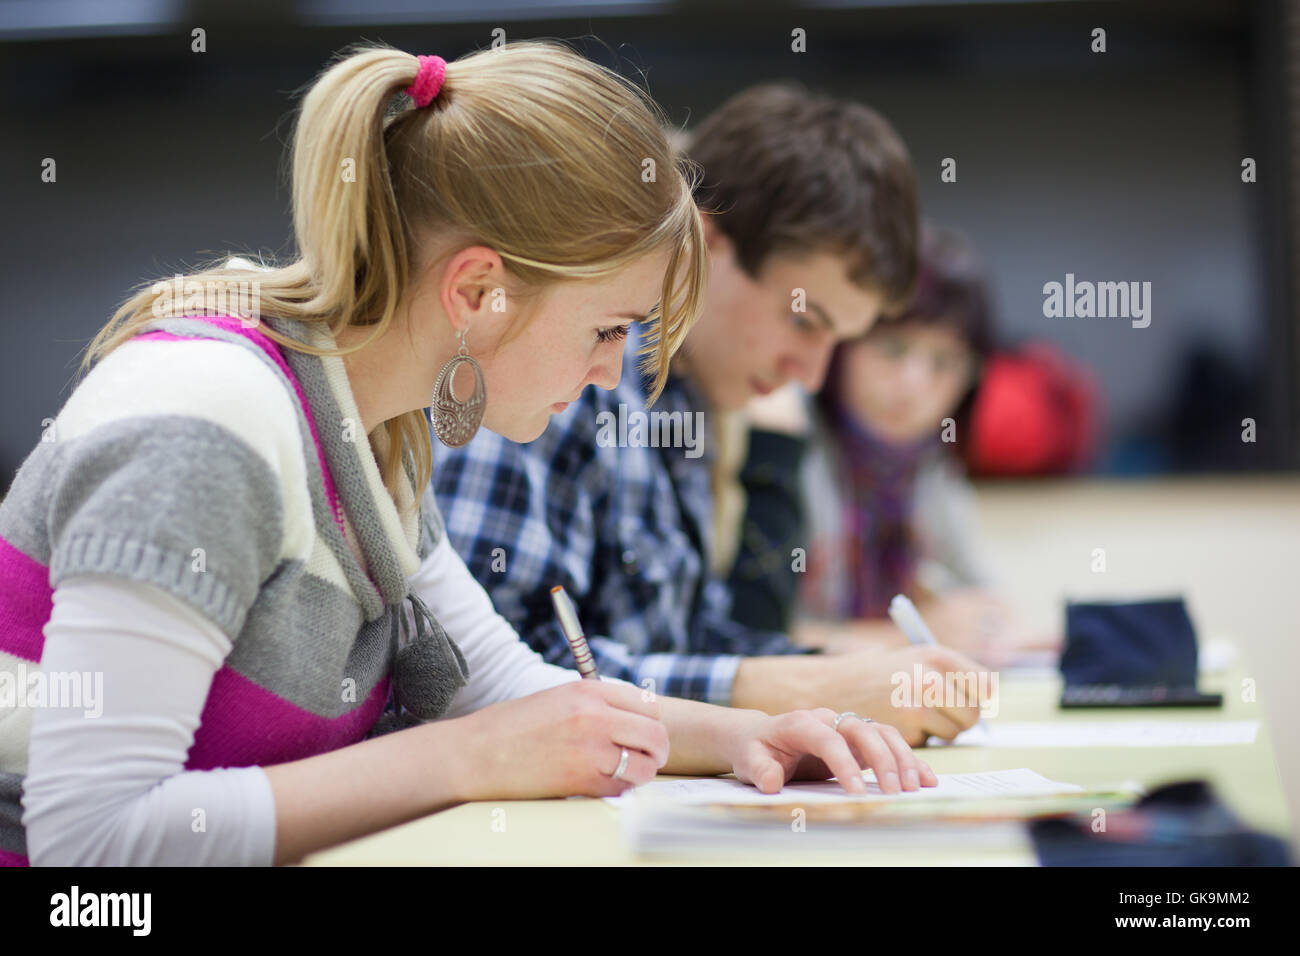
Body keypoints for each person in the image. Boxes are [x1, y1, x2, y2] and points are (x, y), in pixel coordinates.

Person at [0, 43, 936, 868]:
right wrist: (472, 757)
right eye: (607, 330)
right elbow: (89, 845)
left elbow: (504, 684)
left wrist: (757, 735)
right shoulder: (205, 423)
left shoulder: (379, 425)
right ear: (479, 289)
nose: (614, 376)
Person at [431, 83, 988, 745]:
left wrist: (840, 676)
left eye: (837, 340)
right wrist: (803, 690)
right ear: (704, 242)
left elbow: (685, 636)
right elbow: (484, 677)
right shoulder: (560, 371)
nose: (809, 374)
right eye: (804, 320)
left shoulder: (692, 401)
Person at [730, 224, 1060, 665]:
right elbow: (747, 637)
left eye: (944, 362)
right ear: (844, 342)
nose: (913, 385)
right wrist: (915, 636)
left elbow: (984, 601)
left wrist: (994, 631)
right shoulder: (781, 436)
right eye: (893, 349)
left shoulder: (928, 465)